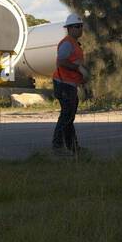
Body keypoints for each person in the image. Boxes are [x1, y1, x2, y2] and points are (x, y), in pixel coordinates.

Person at [52, 14, 87, 154]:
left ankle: (73, 147)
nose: (80, 29)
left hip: (69, 85)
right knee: (66, 116)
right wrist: (78, 69)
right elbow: (61, 61)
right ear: (69, 28)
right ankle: (58, 146)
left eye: (81, 26)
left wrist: (81, 77)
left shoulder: (74, 44)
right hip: (64, 84)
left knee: (69, 116)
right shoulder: (67, 43)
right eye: (77, 26)